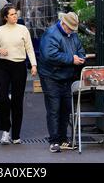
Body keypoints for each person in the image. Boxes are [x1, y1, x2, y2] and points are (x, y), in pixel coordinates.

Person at [38, 11, 85, 153]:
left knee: (65, 108)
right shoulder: (51, 33)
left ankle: (63, 139)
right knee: (54, 108)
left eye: (73, 29)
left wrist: (80, 58)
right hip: (51, 76)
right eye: (69, 28)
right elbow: (49, 55)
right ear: (63, 24)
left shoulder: (73, 35)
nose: (71, 31)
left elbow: (80, 50)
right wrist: (72, 59)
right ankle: (54, 141)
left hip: (66, 76)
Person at [0, 4, 37, 145]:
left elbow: (29, 48)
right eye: (11, 14)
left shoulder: (23, 30)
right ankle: (6, 131)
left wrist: (34, 65)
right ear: (5, 17)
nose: (15, 16)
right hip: (3, 65)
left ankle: (16, 135)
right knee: (2, 98)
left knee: (17, 101)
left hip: (19, 65)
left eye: (15, 13)